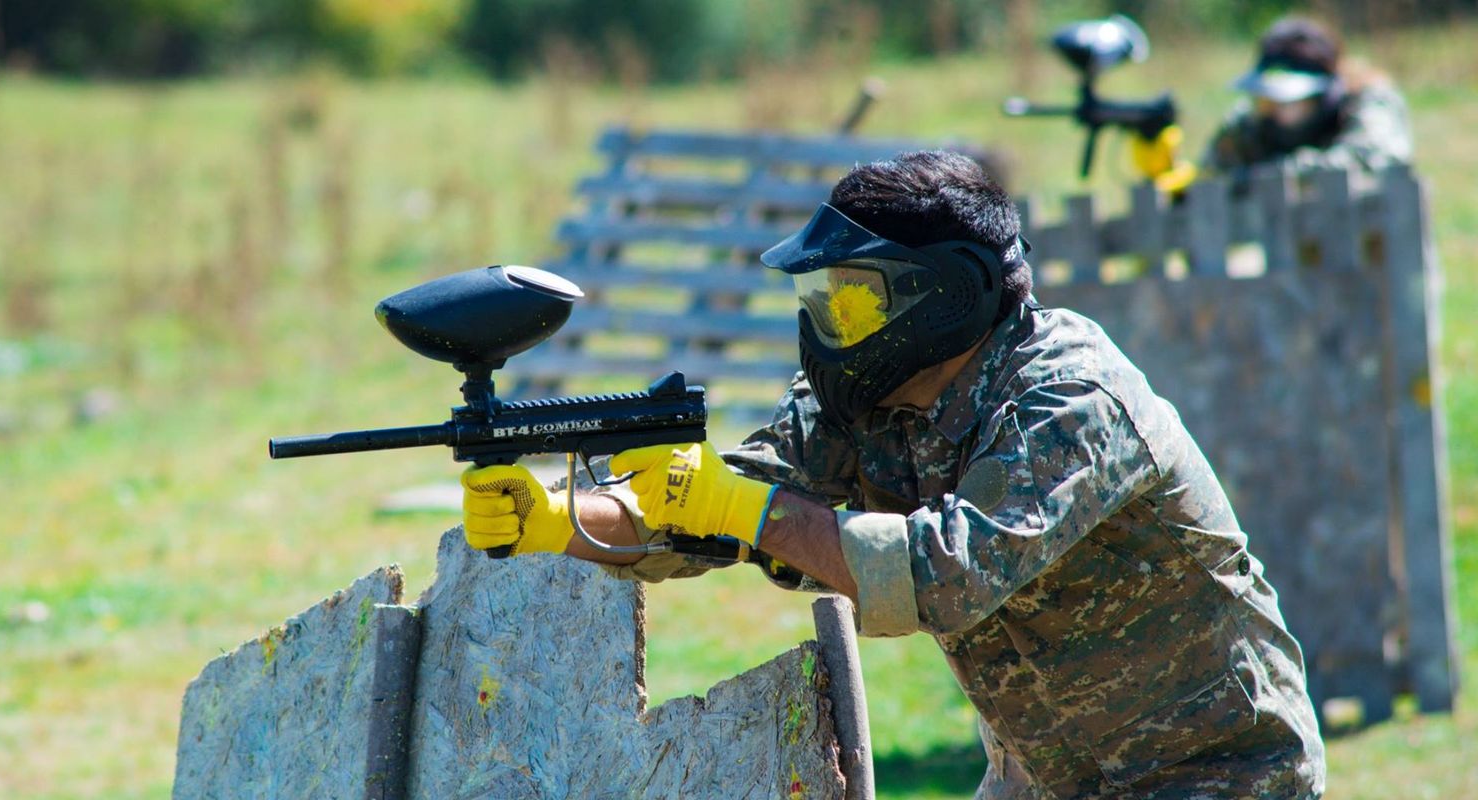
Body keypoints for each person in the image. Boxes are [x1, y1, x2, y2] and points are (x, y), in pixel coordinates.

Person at [460, 151, 1325, 798]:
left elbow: (943, 574)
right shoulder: (865, 396)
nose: (830, 321)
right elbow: (737, 496)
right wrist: (567, 517)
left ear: (946, 293)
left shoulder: (1070, 398)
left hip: (1218, 771)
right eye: (822, 296)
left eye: (854, 296)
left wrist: (736, 503)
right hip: (1050, 775)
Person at [1205, 16, 1411, 176]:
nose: (1272, 108)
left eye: (1286, 99)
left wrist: (1291, 171)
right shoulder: (1253, 118)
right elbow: (1210, 173)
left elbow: (1377, 155)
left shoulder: (1367, 100)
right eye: (1266, 96)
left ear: (1324, 94)